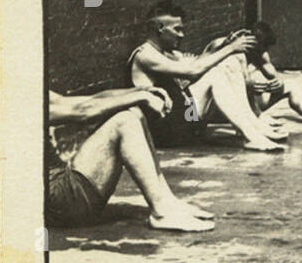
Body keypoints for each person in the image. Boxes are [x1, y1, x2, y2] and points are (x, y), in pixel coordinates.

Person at [46, 87, 215, 232]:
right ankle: (162, 212)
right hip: (60, 204)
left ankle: (167, 201)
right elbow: (83, 111)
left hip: (60, 192)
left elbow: (88, 99)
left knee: (133, 113)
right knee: (124, 121)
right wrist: (141, 96)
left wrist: (139, 91)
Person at [128, 1, 283, 152]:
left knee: (227, 64)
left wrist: (224, 46)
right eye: (177, 30)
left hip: (184, 118)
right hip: (166, 132)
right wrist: (231, 48)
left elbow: (196, 64)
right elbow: (193, 71)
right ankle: (251, 135)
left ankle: (253, 126)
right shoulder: (145, 55)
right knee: (217, 73)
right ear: (160, 28)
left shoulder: (164, 52)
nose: (182, 35)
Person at [203, 20, 302, 135]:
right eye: (260, 48)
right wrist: (250, 85)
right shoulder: (223, 46)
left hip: (245, 102)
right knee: (246, 85)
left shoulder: (260, 52)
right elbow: (207, 78)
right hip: (219, 106)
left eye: (264, 49)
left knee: (291, 85)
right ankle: (252, 123)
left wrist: (275, 84)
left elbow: (275, 77)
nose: (262, 52)